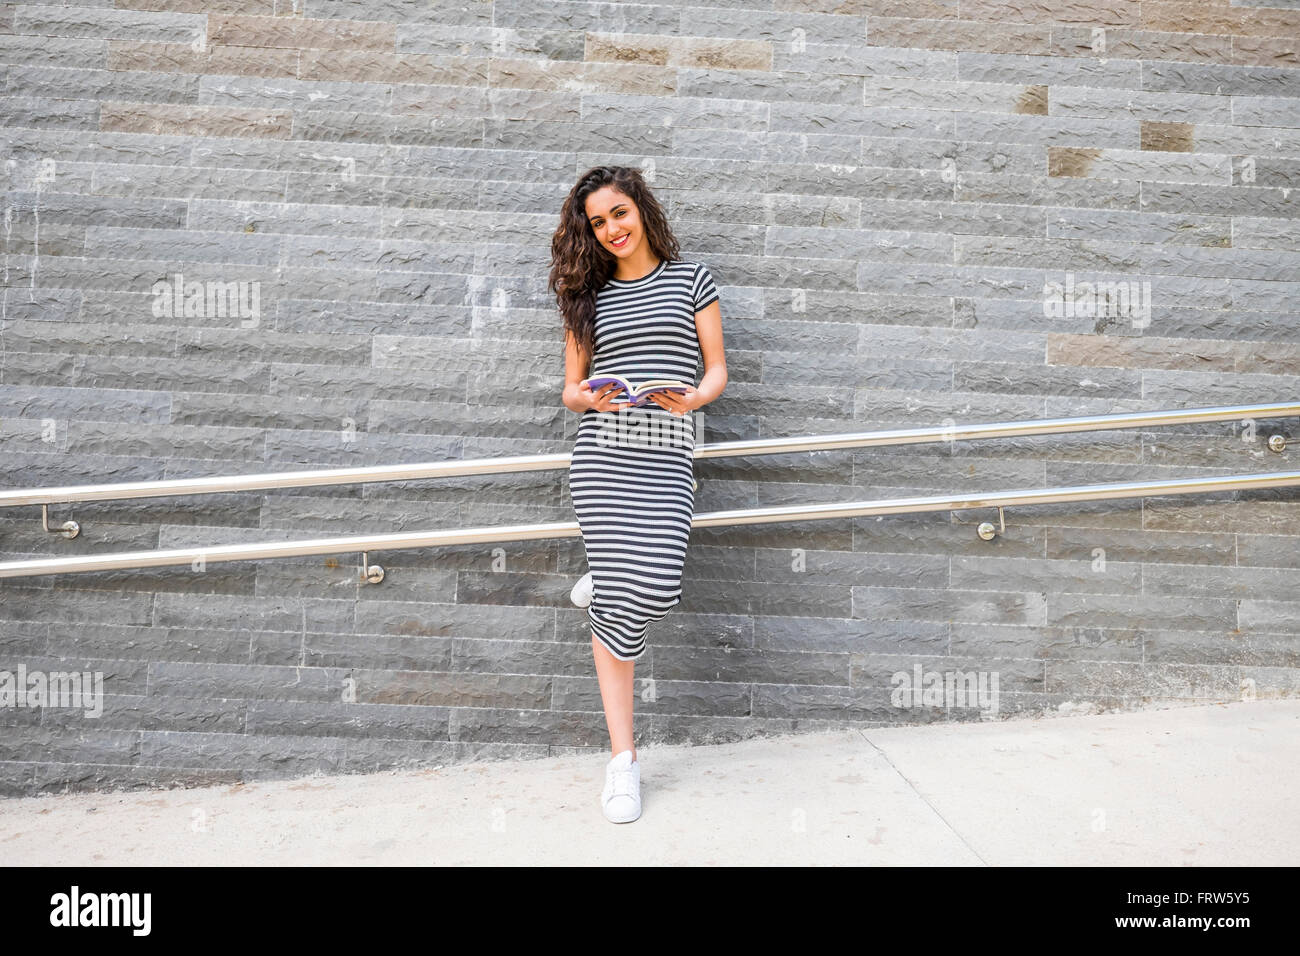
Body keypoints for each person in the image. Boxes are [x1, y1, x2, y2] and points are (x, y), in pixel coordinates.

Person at [548, 165, 727, 823]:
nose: (612, 229)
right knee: (632, 601)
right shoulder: (586, 297)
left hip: (666, 454)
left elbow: (715, 369)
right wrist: (586, 393)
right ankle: (623, 761)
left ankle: (609, 579)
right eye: (598, 222)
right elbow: (569, 388)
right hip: (604, 455)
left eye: (619, 213)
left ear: (642, 210)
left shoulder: (691, 281)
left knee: (655, 588)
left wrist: (697, 398)